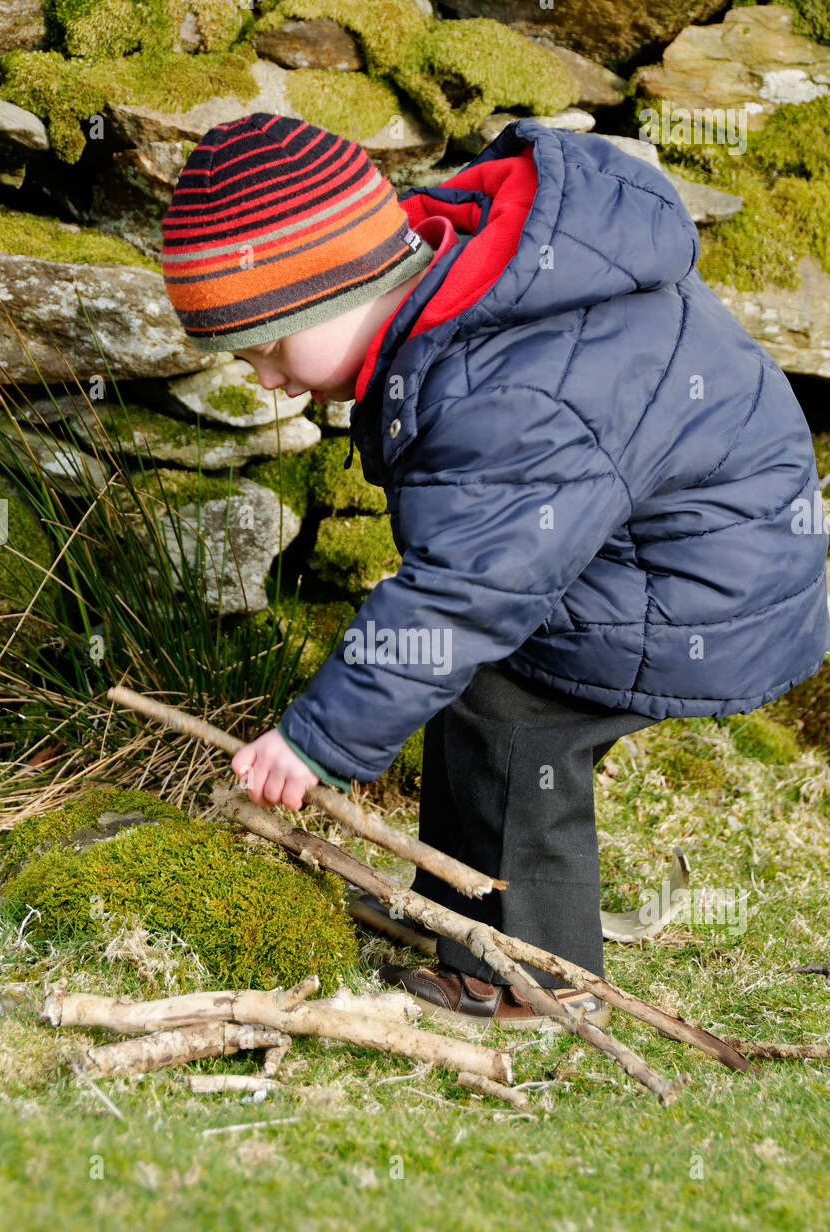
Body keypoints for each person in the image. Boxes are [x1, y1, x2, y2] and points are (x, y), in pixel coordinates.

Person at [162, 112, 830, 1031]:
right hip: (675, 548)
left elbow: (465, 590)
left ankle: (528, 975)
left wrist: (315, 738)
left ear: (339, 287)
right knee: (472, 684)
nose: (265, 378)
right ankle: (472, 921)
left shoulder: (505, 380)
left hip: (704, 589)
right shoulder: (475, 296)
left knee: (516, 717)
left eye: (270, 346)